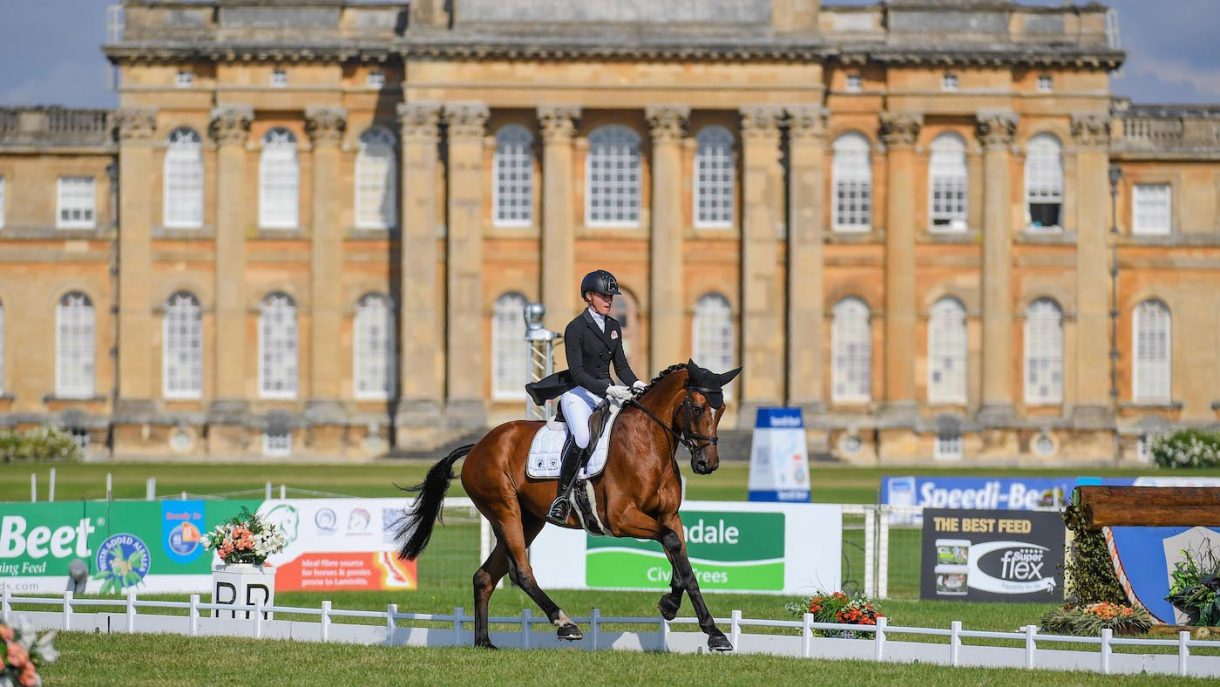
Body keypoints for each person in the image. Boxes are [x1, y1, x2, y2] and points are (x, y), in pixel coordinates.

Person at [542, 269, 646, 524]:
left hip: (607, 393)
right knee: (583, 436)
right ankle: (561, 499)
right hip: (579, 394)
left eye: (611, 296)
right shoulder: (575, 328)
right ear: (589, 297)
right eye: (604, 296)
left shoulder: (612, 326)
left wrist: (638, 383)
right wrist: (607, 389)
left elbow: (621, 366)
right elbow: (577, 372)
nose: (609, 300)